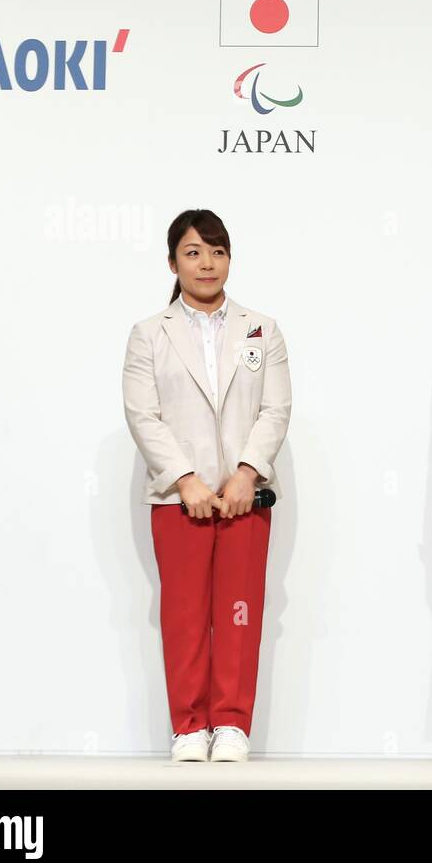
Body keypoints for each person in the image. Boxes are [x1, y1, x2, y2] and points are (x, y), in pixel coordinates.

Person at [122, 209, 291, 763]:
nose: (206, 263)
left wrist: (246, 472)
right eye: (193, 252)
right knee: (185, 613)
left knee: (240, 611)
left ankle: (233, 724)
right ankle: (189, 727)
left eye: (217, 252)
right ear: (173, 263)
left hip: (246, 497)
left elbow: (276, 408)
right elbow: (143, 414)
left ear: (230, 259)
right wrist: (185, 479)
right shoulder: (149, 334)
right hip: (179, 499)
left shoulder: (261, 328)